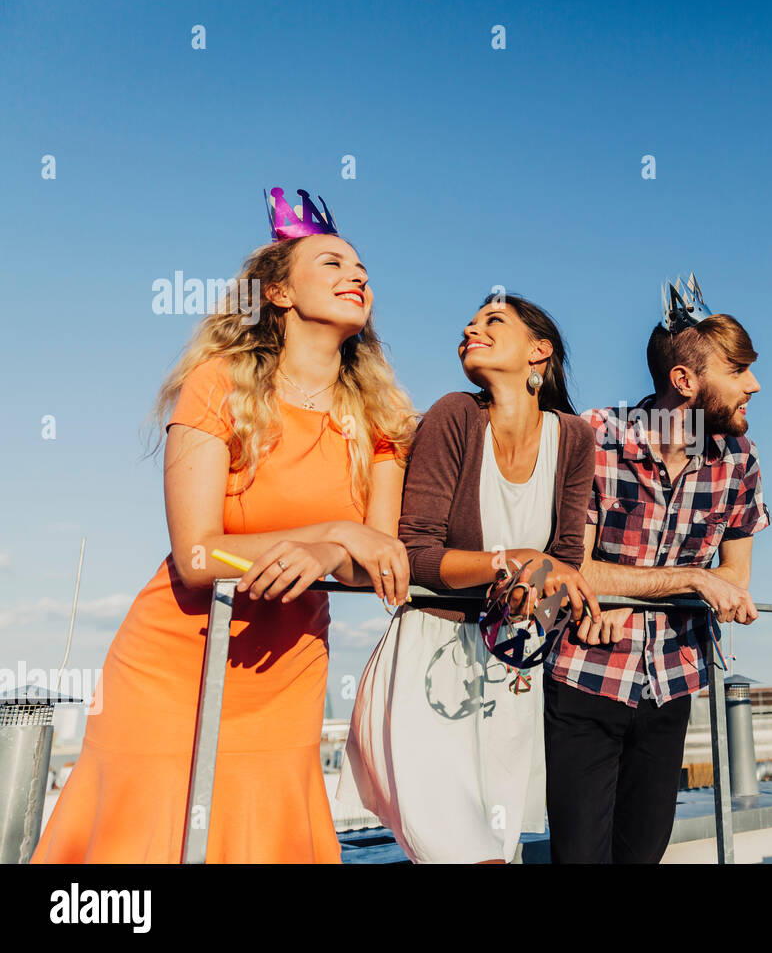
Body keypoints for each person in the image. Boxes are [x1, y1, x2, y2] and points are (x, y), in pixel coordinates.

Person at [32, 187, 417, 863]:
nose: (356, 276)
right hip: (174, 666)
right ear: (277, 293)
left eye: (362, 270)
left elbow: (377, 560)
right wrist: (336, 533)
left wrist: (338, 540)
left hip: (288, 670)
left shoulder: (382, 417)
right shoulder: (219, 383)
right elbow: (197, 555)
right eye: (330, 264)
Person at [341, 291, 599, 863]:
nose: (469, 327)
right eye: (470, 321)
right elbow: (418, 553)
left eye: (493, 321)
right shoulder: (453, 415)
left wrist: (537, 594)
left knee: (496, 850)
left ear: (540, 351)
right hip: (429, 662)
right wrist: (517, 561)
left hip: (511, 673)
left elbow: (565, 563)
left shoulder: (576, 438)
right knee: (458, 851)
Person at [545, 274, 770, 864]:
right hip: (586, 675)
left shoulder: (740, 460)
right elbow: (574, 570)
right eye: (739, 371)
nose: (755, 384)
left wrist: (629, 590)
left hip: (673, 681)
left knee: (643, 855)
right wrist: (693, 580)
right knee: (578, 857)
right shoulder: (593, 437)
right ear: (685, 381)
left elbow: (736, 578)